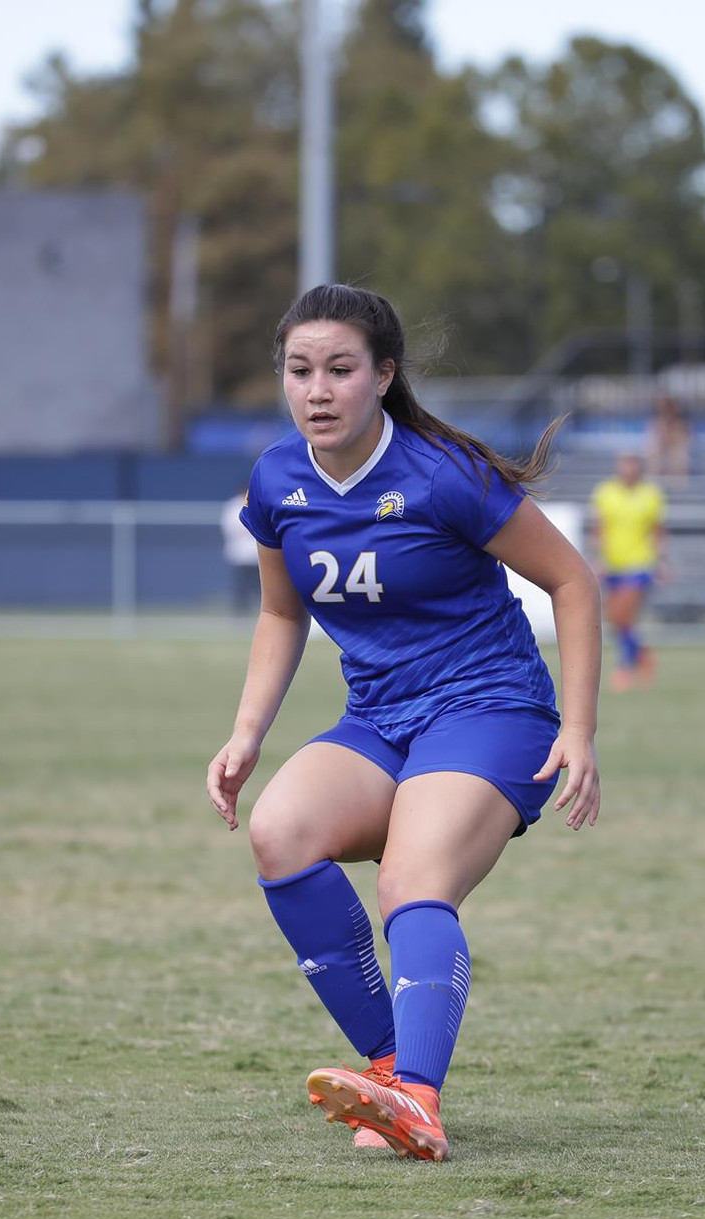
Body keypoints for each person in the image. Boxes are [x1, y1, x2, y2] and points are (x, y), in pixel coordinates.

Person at [205, 284, 600, 1162]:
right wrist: (246, 733)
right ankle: (390, 1069)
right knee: (278, 832)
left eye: (340, 370)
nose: (318, 390)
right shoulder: (278, 479)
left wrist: (578, 728)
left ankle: (417, 1099)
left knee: (411, 883)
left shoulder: (442, 476)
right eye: (300, 370)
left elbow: (572, 582)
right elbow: (281, 614)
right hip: (380, 718)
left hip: (490, 709)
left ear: (383, 376)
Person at [590, 451, 668, 691]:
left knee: (623, 615)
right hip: (613, 564)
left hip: (640, 563)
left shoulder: (651, 494)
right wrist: (598, 559)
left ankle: (624, 667)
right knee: (617, 619)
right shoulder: (605, 492)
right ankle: (643, 655)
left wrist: (661, 561)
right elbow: (599, 529)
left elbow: (657, 531)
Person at [221, 487, 262, 614]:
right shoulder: (233, 506)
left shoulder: (258, 502)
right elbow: (231, 527)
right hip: (240, 554)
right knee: (241, 586)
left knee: (261, 585)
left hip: (257, 554)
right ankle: (240, 612)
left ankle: (263, 611)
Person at [644, 394, 692, 490]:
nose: (668, 411)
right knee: (654, 454)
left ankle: (678, 486)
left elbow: (685, 438)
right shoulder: (655, 423)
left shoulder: (682, 424)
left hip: (675, 456)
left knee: (678, 455)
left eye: (670, 408)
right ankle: (654, 486)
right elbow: (655, 438)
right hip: (660, 454)